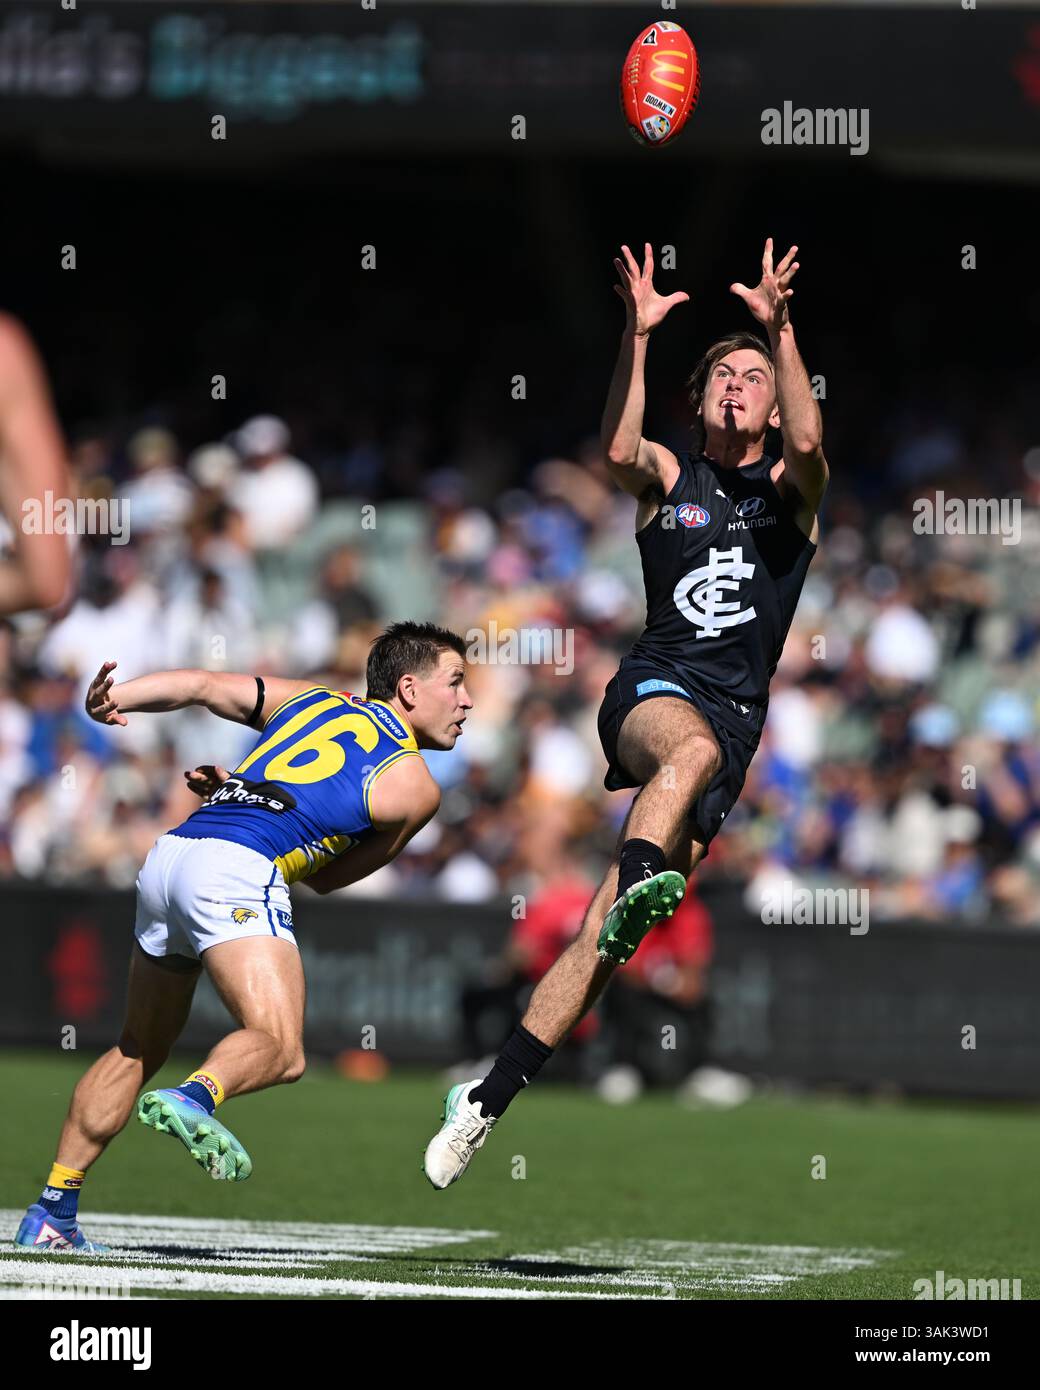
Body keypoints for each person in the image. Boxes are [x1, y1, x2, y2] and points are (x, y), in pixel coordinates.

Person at [424, 237, 828, 1188]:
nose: (738, 384)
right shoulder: (670, 480)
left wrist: (781, 328)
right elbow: (614, 447)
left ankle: (484, 1101)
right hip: (654, 693)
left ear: (775, 402)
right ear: (700, 400)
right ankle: (646, 871)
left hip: (737, 726)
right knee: (681, 754)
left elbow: (811, 447)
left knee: (604, 946)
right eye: (723, 373)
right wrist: (639, 342)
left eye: (754, 376)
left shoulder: (794, 495)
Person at [15, 621, 472, 1252]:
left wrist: (116, 699)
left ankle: (51, 1212)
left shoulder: (313, 701)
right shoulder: (416, 785)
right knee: (283, 1049)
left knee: (137, 1045)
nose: (468, 702)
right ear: (409, 688)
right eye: (457, 683)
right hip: (235, 869)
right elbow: (330, 879)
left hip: (172, 855)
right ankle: (196, 1095)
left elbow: (202, 685)